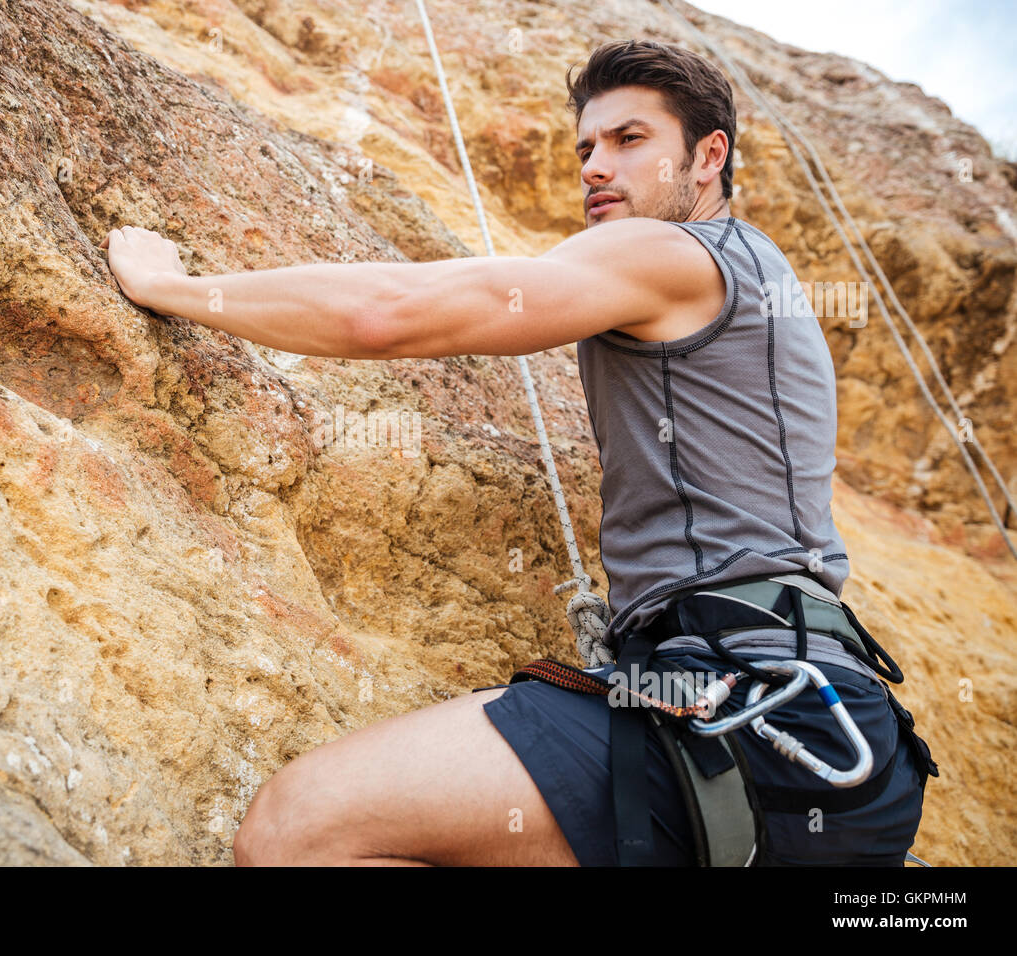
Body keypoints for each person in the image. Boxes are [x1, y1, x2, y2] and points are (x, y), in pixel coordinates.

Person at [101, 39, 931, 866]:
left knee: (299, 829)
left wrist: (177, 289)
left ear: (709, 156)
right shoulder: (759, 277)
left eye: (630, 140)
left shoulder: (676, 254)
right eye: (586, 147)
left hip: (755, 714)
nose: (596, 166)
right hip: (821, 745)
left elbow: (390, 313)